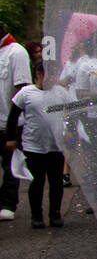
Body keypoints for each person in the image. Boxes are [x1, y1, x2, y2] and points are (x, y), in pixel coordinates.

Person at [6, 63, 68, 228]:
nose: (54, 78)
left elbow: (73, 112)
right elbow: (13, 116)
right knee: (36, 182)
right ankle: (36, 216)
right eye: (50, 75)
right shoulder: (26, 93)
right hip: (33, 145)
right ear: (39, 74)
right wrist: (11, 139)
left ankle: (55, 213)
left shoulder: (60, 93)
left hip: (55, 146)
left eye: (56, 75)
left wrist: (72, 132)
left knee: (56, 182)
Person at [0, 25, 32, 221]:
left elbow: (21, 89)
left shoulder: (16, 52)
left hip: (8, 121)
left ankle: (8, 202)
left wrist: (13, 122)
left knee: (10, 165)